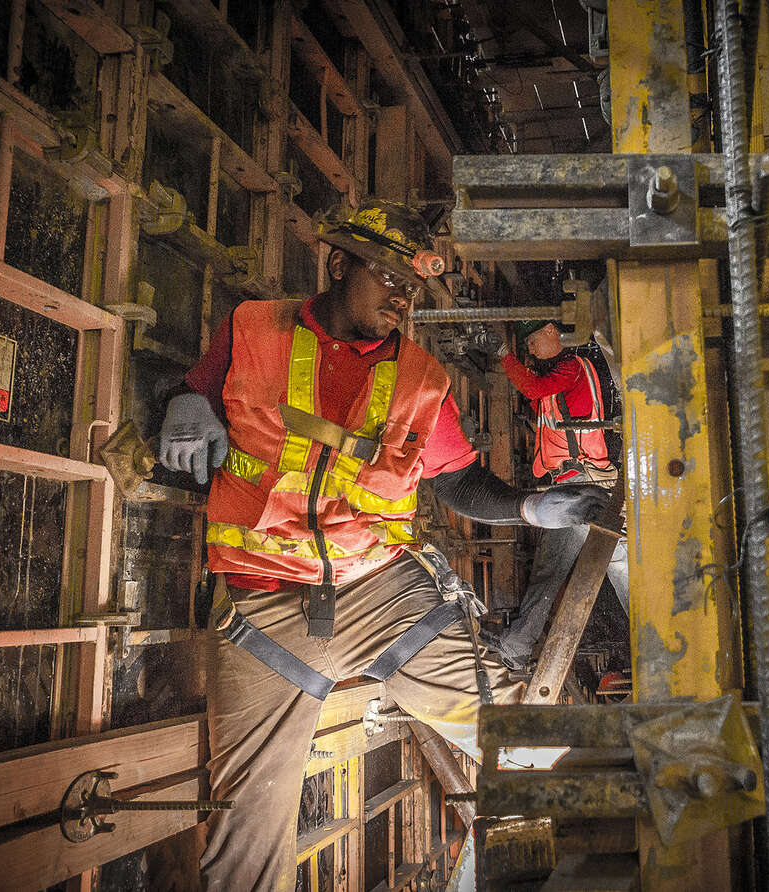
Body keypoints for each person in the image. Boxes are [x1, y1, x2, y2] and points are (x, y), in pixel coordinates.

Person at [155, 199, 606, 890]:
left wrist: (530, 507)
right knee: (245, 834)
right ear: (339, 264)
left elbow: (457, 483)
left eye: (413, 290)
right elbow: (199, 386)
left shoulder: (422, 378)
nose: (402, 300)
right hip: (262, 607)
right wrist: (182, 401)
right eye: (390, 280)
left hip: (382, 595)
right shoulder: (252, 329)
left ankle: (637, 821)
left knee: (522, 733)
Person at [489, 319, 629, 671]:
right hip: (594, 488)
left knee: (550, 571)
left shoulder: (571, 368)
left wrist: (503, 354)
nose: (531, 349)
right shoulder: (564, 376)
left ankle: (516, 648)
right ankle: (653, 642)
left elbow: (533, 389)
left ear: (553, 331)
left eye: (534, 340)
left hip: (579, 489)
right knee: (621, 569)